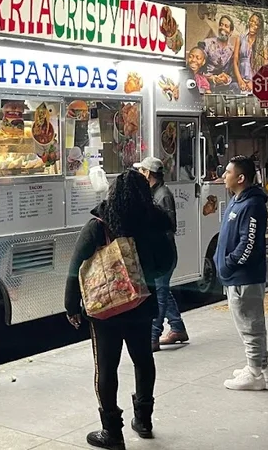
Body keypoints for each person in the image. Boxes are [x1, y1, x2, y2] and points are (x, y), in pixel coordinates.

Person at [65, 170, 174, 449]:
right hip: (142, 304)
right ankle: (144, 420)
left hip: (105, 311)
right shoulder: (155, 223)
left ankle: (112, 433)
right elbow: (167, 262)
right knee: (143, 361)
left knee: (106, 367)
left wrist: (71, 306)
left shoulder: (99, 225)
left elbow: (75, 268)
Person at [216, 156, 268, 391]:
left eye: (228, 172)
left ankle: (255, 374)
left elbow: (248, 243)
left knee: (250, 326)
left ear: (241, 178)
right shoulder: (238, 200)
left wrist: (229, 264)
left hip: (243, 277)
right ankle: (259, 365)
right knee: (248, 324)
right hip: (236, 277)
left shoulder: (252, 205)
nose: (223, 176)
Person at [133, 158, 189, 351]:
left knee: (159, 295)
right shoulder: (154, 193)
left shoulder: (162, 195)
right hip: (160, 255)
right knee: (163, 291)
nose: (140, 173)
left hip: (162, 256)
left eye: (142, 170)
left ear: (148, 173)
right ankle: (178, 328)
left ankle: (153, 337)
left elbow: (168, 227)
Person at [201, 15, 238, 93]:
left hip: (221, 87)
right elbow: (198, 66)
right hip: (205, 82)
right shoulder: (207, 43)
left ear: (231, 32)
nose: (222, 28)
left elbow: (230, 74)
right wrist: (211, 78)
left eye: (226, 26)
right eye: (221, 25)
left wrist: (226, 79)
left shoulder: (231, 51)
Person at [233, 12, 267, 91]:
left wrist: (254, 82)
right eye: (251, 21)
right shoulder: (240, 38)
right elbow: (235, 61)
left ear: (259, 27)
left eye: (256, 24)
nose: (253, 25)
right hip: (241, 79)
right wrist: (240, 80)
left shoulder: (262, 44)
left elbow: (265, 68)